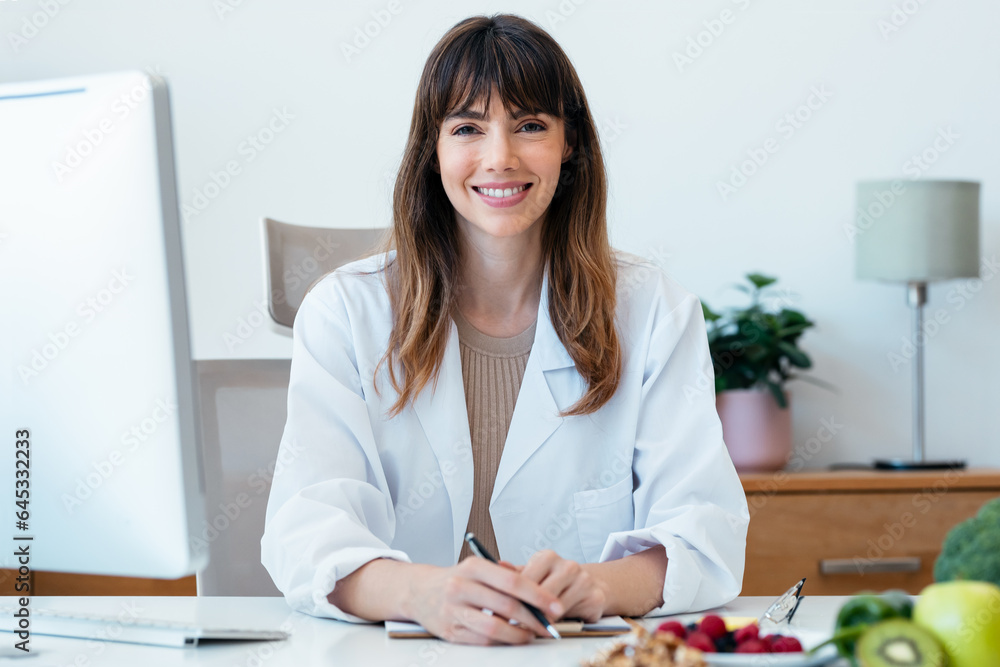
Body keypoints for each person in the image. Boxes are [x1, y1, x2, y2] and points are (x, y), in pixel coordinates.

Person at [260, 13, 749, 646]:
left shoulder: (653, 310)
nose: (500, 158)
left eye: (530, 126)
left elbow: (701, 534)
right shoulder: (344, 312)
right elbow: (306, 533)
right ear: (432, 152)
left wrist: (598, 586)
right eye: (467, 127)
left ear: (569, 144)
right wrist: (424, 594)